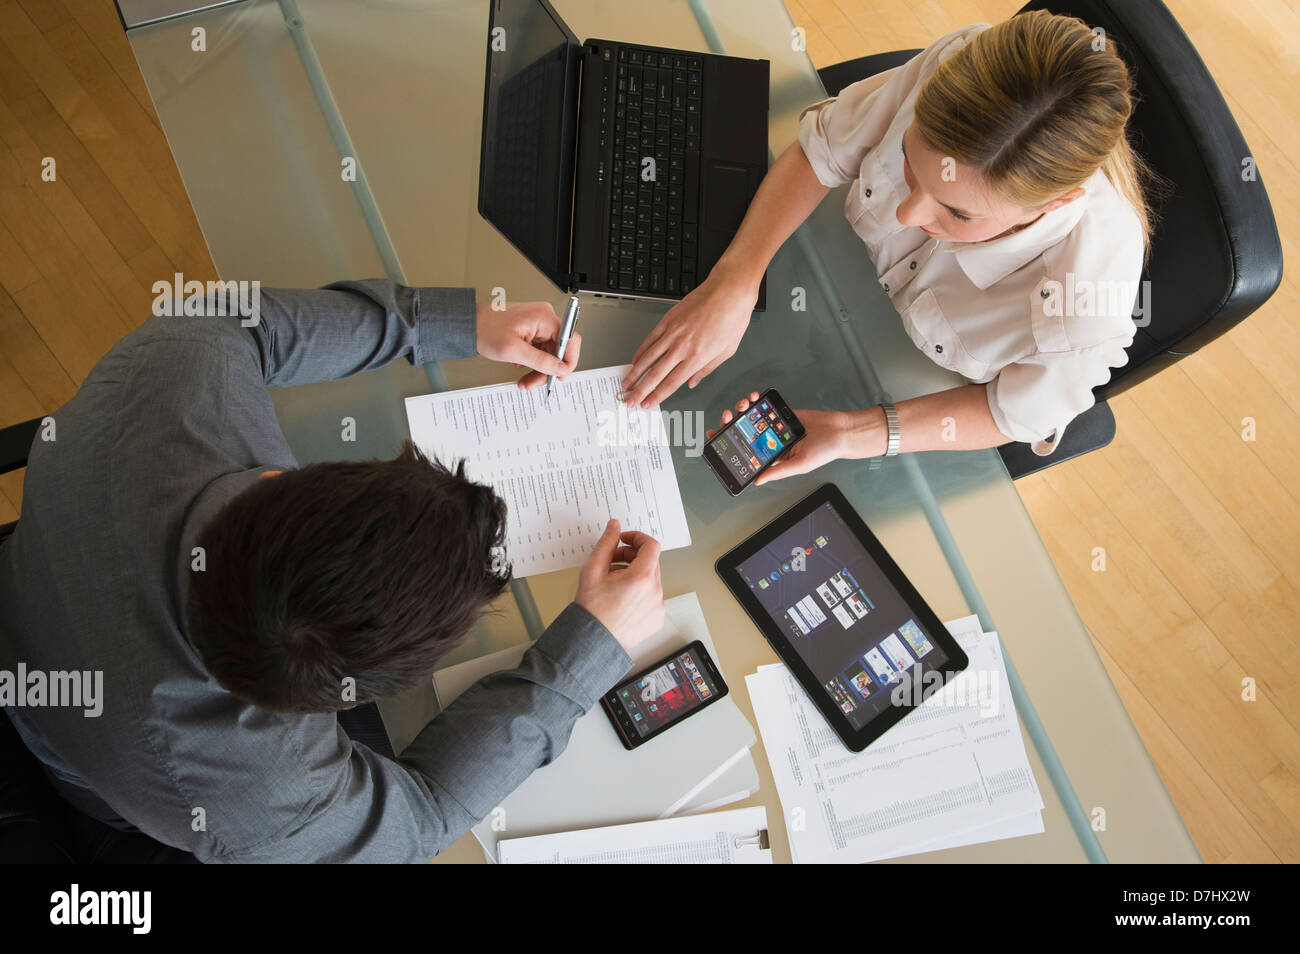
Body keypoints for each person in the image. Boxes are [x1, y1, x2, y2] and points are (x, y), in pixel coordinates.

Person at [0, 279, 664, 862]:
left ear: (275, 481)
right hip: (80, 766)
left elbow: (244, 321)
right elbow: (417, 821)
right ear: (349, 702)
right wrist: (587, 651)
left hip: (36, 589)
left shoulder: (175, 372)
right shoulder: (261, 802)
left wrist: (445, 323)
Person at [621, 12, 1157, 480]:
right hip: (816, 281)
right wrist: (734, 281)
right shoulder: (954, 60)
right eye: (909, 159)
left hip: (904, 393)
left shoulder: (1087, 300)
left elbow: (1011, 414)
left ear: (1052, 206)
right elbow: (822, 151)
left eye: (957, 212)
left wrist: (855, 433)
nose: (907, 213)